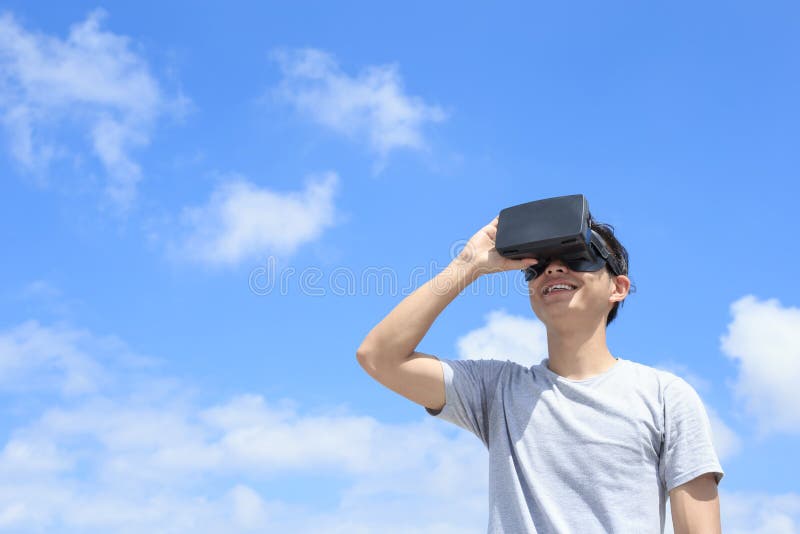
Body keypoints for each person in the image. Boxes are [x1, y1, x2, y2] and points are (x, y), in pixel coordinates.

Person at [356, 213, 724, 534]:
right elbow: (379, 357)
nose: (553, 268)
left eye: (580, 256)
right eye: (537, 266)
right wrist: (467, 264)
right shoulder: (496, 389)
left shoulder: (665, 396)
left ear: (618, 287)